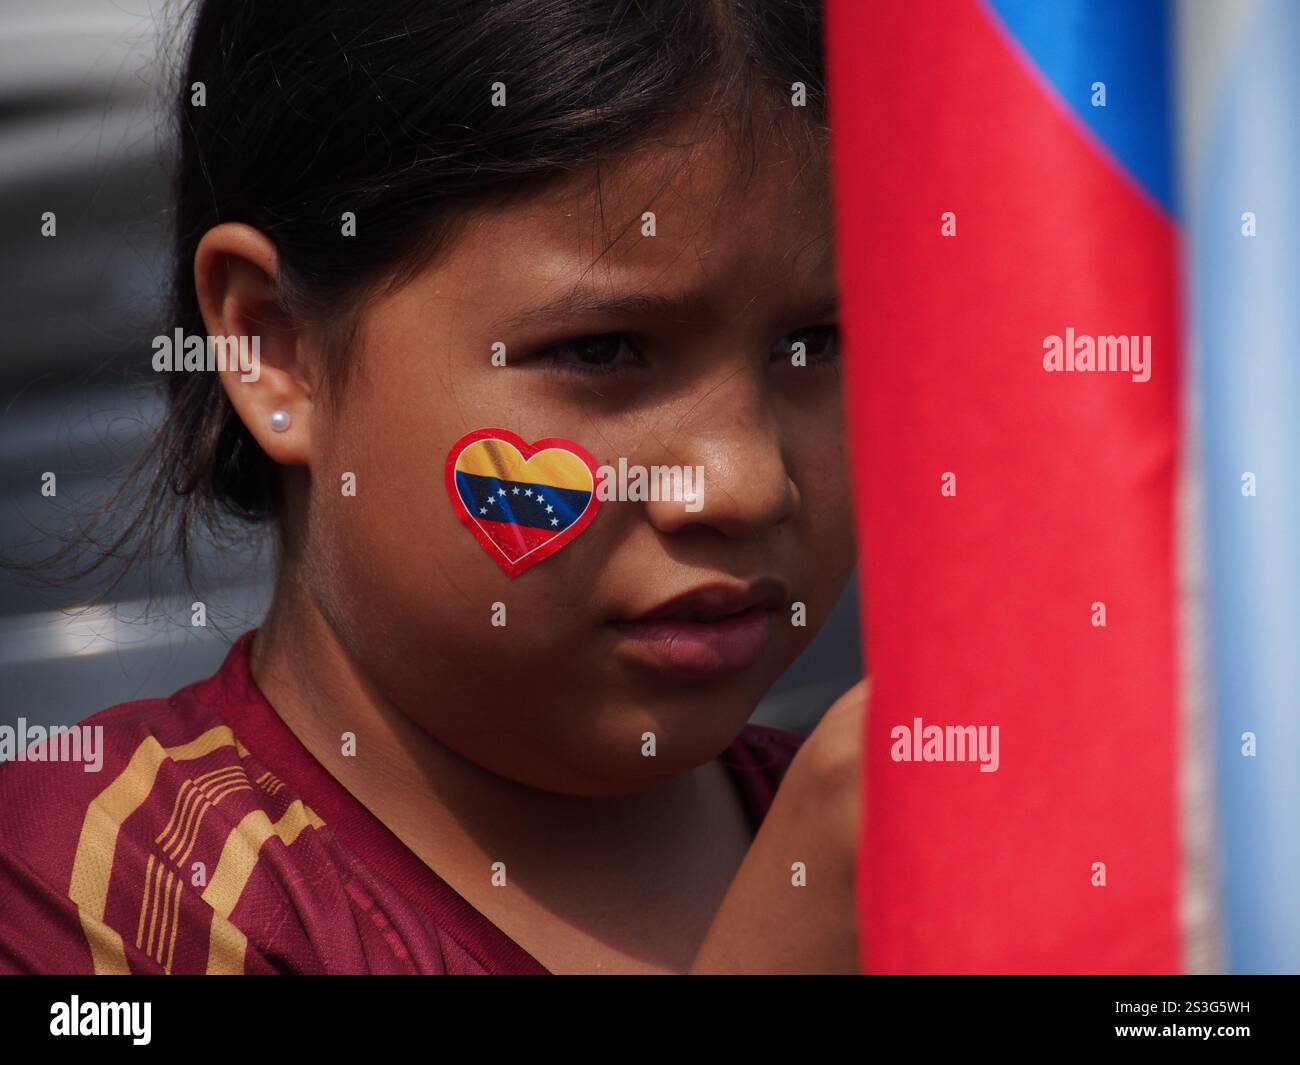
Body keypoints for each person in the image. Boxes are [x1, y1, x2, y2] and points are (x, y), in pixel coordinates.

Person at [0, 0, 862, 974]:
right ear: (276, 345)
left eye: (813, 343)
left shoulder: (894, 851)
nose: (744, 484)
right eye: (601, 349)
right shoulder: (103, 894)